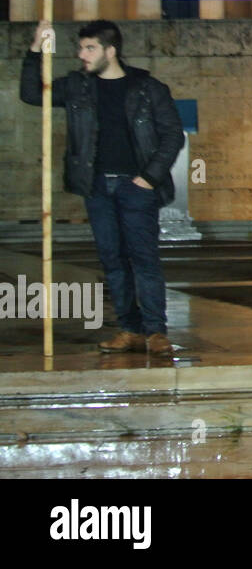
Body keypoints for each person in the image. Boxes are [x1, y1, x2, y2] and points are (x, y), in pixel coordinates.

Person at [19, 19, 184, 356]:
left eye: (89, 48)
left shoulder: (147, 88)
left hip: (136, 188)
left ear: (111, 51)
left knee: (144, 259)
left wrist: (148, 178)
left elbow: (171, 136)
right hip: (97, 187)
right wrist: (36, 48)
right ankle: (129, 329)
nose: (82, 54)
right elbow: (31, 93)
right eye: (81, 48)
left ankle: (156, 332)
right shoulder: (78, 87)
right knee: (112, 260)